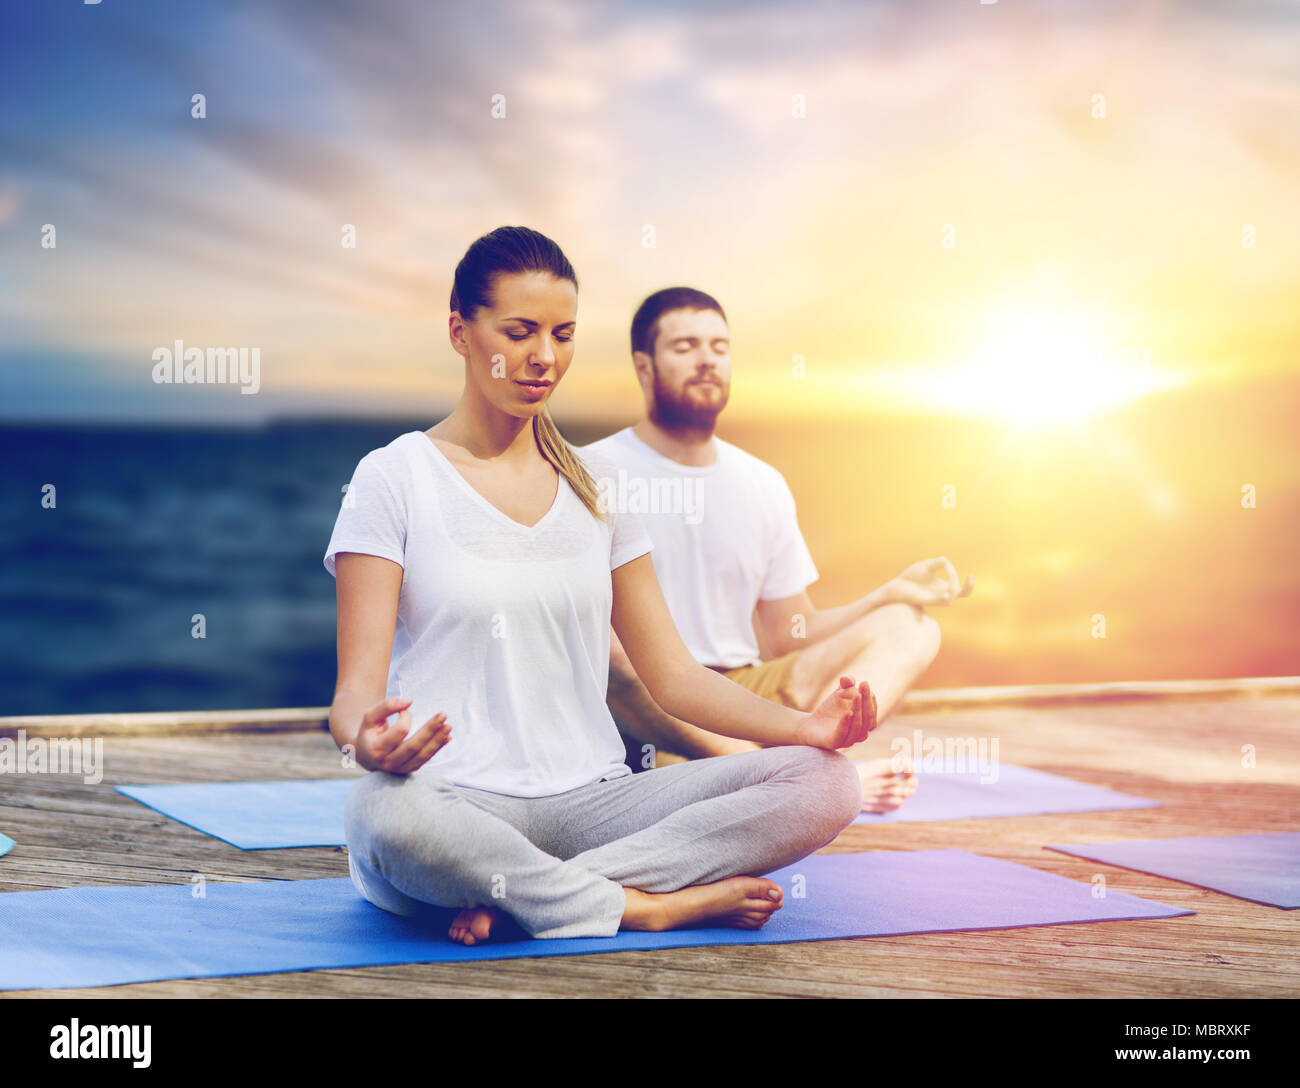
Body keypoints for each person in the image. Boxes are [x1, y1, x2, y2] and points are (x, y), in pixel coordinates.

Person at [324, 228, 875, 946]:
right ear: (461, 331)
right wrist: (368, 745)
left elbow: (674, 677)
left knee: (827, 782)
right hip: (453, 803)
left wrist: (808, 731)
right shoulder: (393, 477)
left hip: (594, 804)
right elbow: (353, 702)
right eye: (519, 332)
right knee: (382, 815)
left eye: (562, 334)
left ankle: (537, 899)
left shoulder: (599, 486)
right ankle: (643, 904)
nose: (544, 357)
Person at [581, 287, 974, 813]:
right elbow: (605, 657)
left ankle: (787, 776)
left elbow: (790, 633)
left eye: (719, 347)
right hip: (650, 709)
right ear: (644, 366)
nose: (706, 360)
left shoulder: (760, 482)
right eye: (685, 346)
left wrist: (888, 593)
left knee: (913, 625)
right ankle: (792, 784)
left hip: (745, 692)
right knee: (613, 657)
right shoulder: (592, 471)